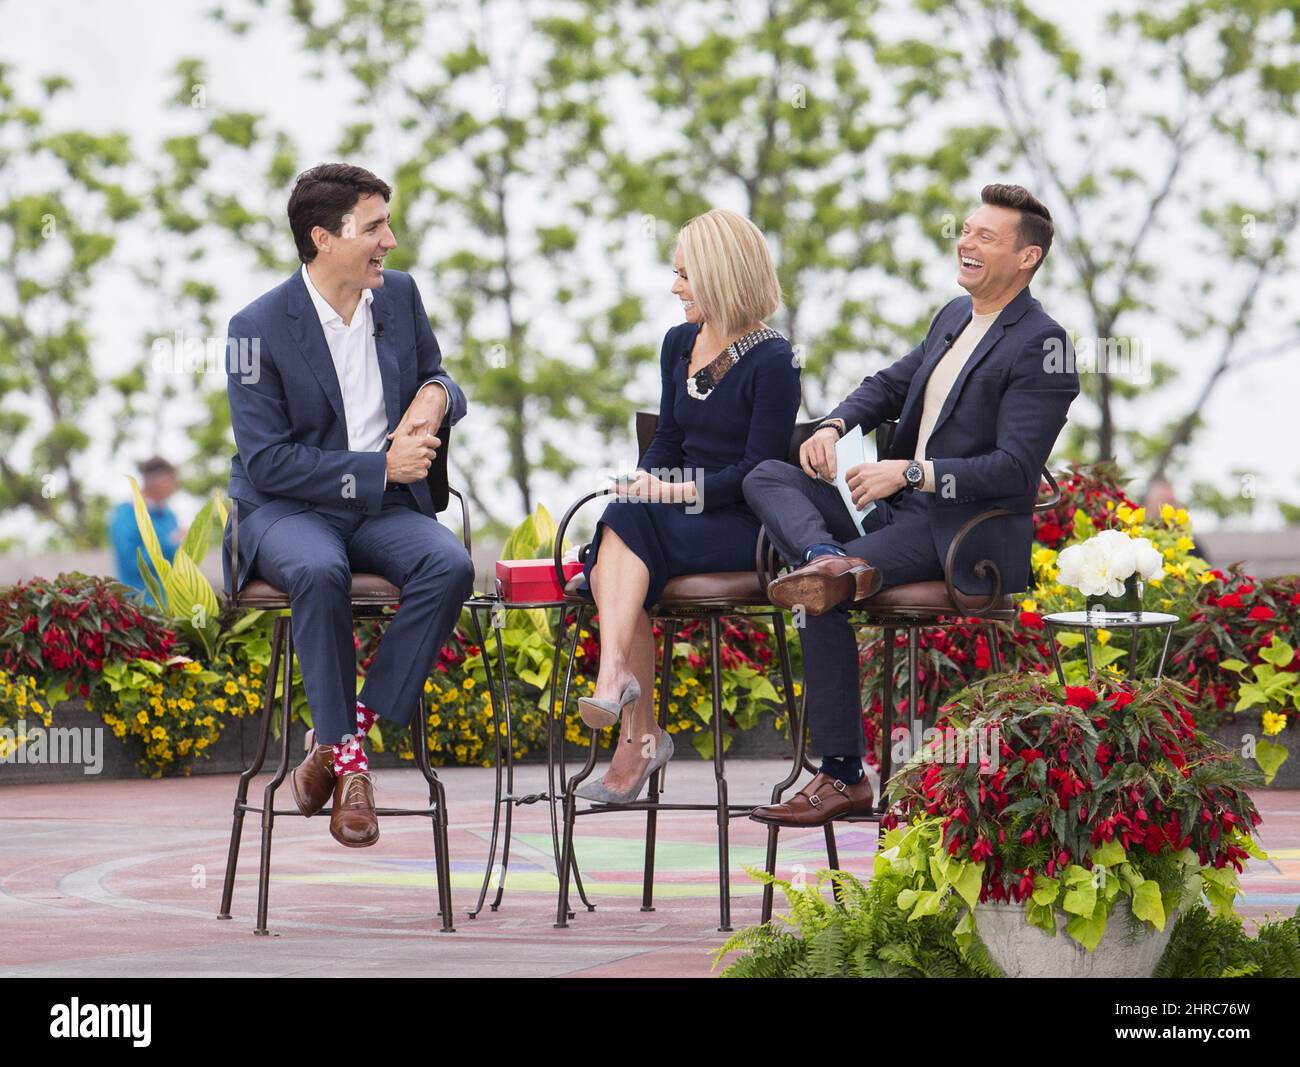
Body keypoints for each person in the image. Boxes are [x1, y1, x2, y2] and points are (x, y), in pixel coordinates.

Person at [743, 183, 1080, 826]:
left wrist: (914, 473)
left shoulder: (1043, 344)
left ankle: (841, 775)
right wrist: (833, 427)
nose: (966, 241)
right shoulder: (953, 316)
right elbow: (889, 384)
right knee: (767, 474)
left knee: (823, 595)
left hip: (960, 534)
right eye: (967, 230)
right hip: (896, 521)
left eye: (985, 235)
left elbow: (1013, 470)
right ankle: (823, 557)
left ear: (1027, 257)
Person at [222, 163, 474, 848]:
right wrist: (376, 467)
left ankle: (342, 741)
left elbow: (438, 373)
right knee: (318, 571)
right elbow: (268, 460)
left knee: (450, 566)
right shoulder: (252, 329)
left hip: (386, 507)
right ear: (323, 238)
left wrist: (439, 396)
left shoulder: (400, 298)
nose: (390, 240)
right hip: (286, 510)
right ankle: (354, 768)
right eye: (375, 226)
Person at [575, 208, 800, 803]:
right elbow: (669, 441)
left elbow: (761, 472)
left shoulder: (774, 361)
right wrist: (646, 483)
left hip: (740, 524)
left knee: (615, 554)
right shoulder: (679, 343)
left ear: (723, 275)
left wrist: (675, 492)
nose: (675, 288)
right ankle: (626, 701)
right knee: (624, 520)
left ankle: (633, 723)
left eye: (685, 276)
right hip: (673, 514)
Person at [110, 457, 182, 604]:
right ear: (156, 480)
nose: (176, 484)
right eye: (172, 479)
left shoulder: (168, 514)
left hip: (169, 604)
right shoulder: (126, 514)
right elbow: (130, 561)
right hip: (138, 605)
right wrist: (170, 543)